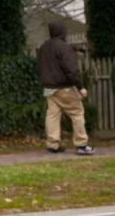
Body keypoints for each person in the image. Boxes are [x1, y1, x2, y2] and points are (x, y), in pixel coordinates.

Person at [37, 22, 95, 155]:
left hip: (49, 88)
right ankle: (81, 144)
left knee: (52, 115)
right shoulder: (63, 47)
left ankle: (53, 145)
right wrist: (80, 87)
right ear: (62, 32)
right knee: (77, 112)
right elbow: (71, 70)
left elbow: (40, 68)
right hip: (65, 87)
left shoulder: (43, 48)